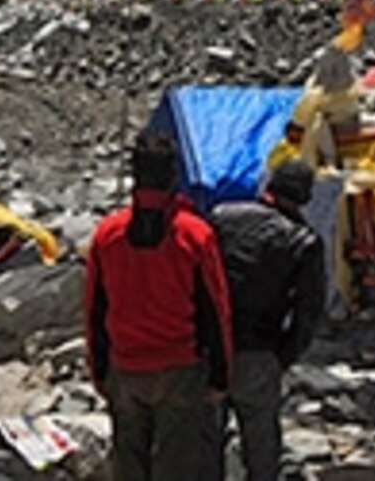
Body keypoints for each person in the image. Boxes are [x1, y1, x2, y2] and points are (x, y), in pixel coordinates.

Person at [86, 131, 233, 481]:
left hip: (125, 366)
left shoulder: (107, 234)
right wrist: (221, 374)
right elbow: (216, 309)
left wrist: (99, 369)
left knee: (129, 465)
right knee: (176, 467)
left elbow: (94, 308)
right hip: (179, 368)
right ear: (172, 176)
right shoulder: (195, 235)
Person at [209, 160, 324, 480]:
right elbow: (308, 312)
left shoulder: (221, 217)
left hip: (209, 349)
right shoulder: (303, 240)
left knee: (204, 450)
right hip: (259, 353)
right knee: (262, 454)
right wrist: (282, 356)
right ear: (305, 197)